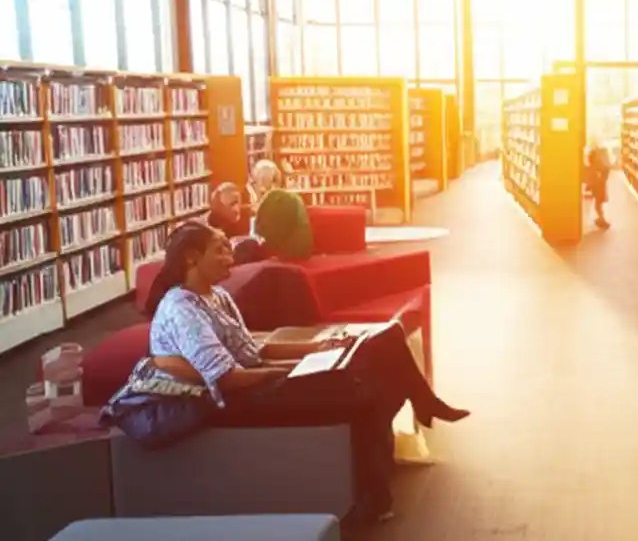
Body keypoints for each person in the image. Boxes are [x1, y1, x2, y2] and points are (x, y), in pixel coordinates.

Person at [144, 221, 469, 522]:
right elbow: (227, 380)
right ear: (191, 258)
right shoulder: (182, 308)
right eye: (221, 250)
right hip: (230, 400)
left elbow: (253, 352)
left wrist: (318, 350)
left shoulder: (219, 297)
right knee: (365, 390)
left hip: (253, 382)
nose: (231, 257)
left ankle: (415, 417)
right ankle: (378, 486)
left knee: (386, 336)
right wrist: (285, 373)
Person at [584, 141, 611, 230]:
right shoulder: (602, 153)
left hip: (597, 182)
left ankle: (601, 219)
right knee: (599, 202)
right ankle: (601, 219)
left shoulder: (594, 154)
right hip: (600, 182)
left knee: (598, 202)